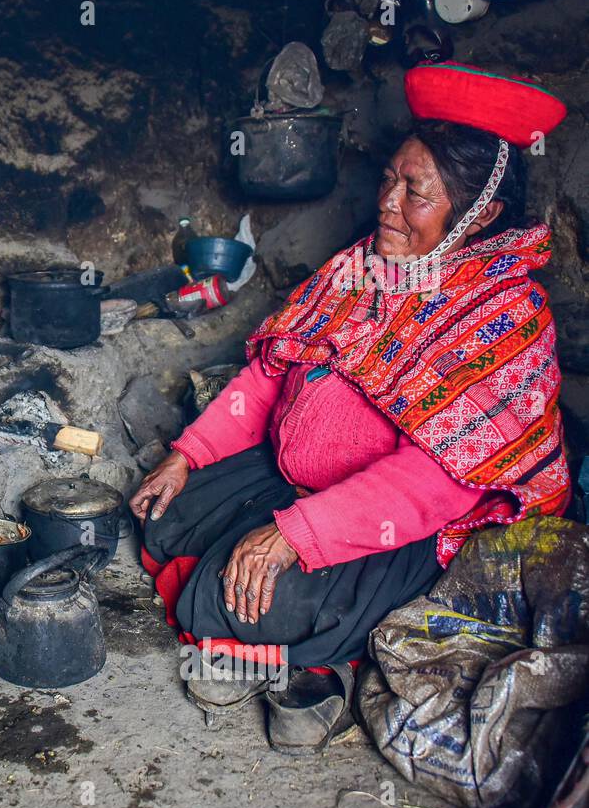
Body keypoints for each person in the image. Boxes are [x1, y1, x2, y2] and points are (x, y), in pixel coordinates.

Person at [130, 61, 570, 753]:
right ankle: (288, 647)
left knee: (226, 597)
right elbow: (269, 377)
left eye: (415, 192)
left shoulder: (506, 316)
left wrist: (298, 535)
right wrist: (189, 456)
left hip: (387, 527)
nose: (388, 202)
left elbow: (431, 485)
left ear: (478, 214)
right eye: (389, 180)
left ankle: (326, 672)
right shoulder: (359, 269)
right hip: (291, 481)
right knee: (162, 518)